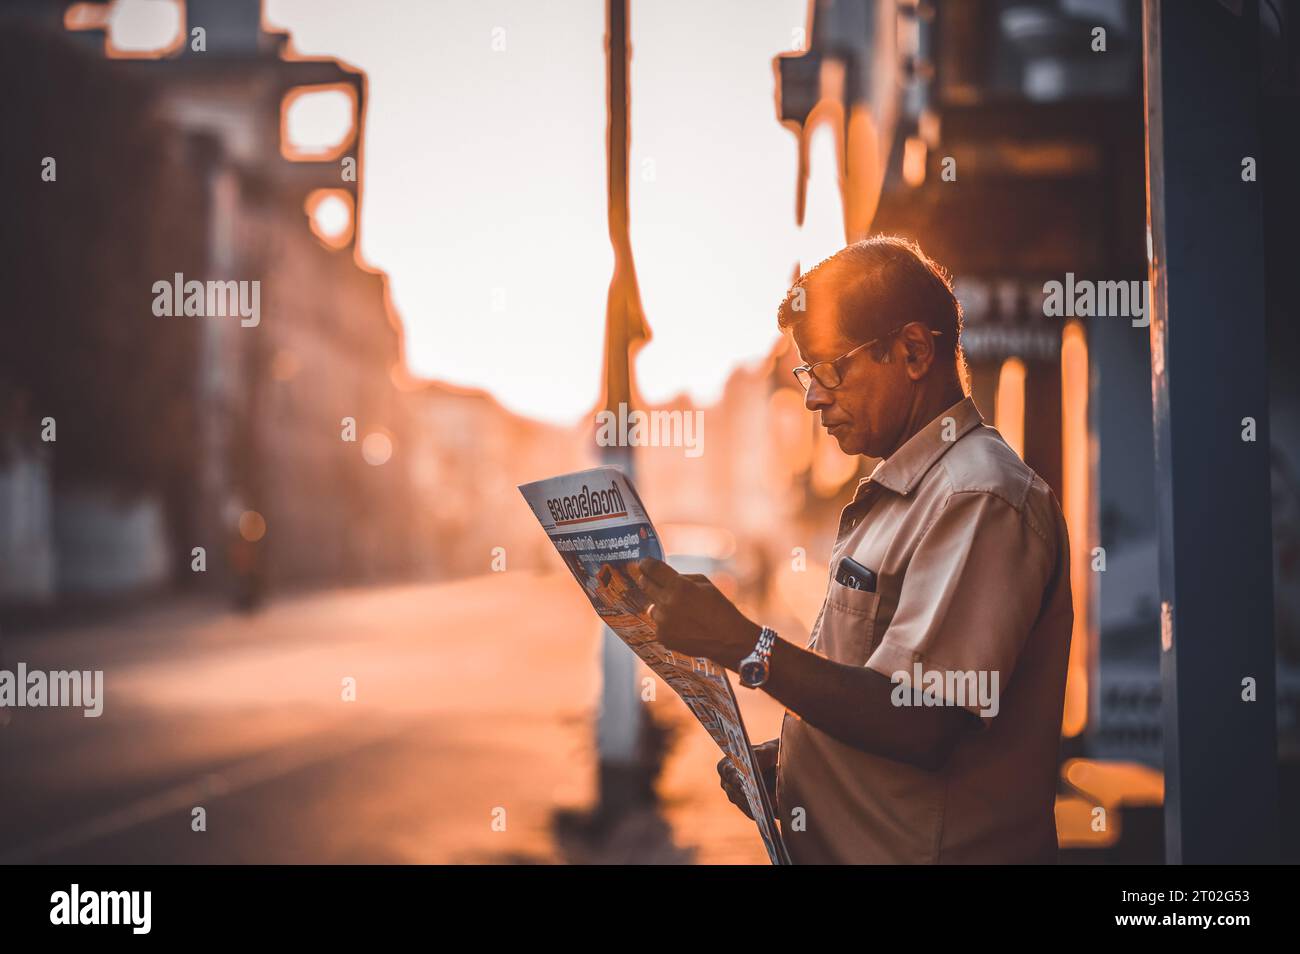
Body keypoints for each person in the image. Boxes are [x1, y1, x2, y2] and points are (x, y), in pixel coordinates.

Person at [630, 236, 1073, 863]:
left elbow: (924, 720)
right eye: (807, 373)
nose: (814, 396)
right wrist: (804, 761)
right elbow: (878, 692)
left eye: (831, 368)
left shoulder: (979, 498)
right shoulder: (902, 496)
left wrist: (745, 645)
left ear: (914, 351)